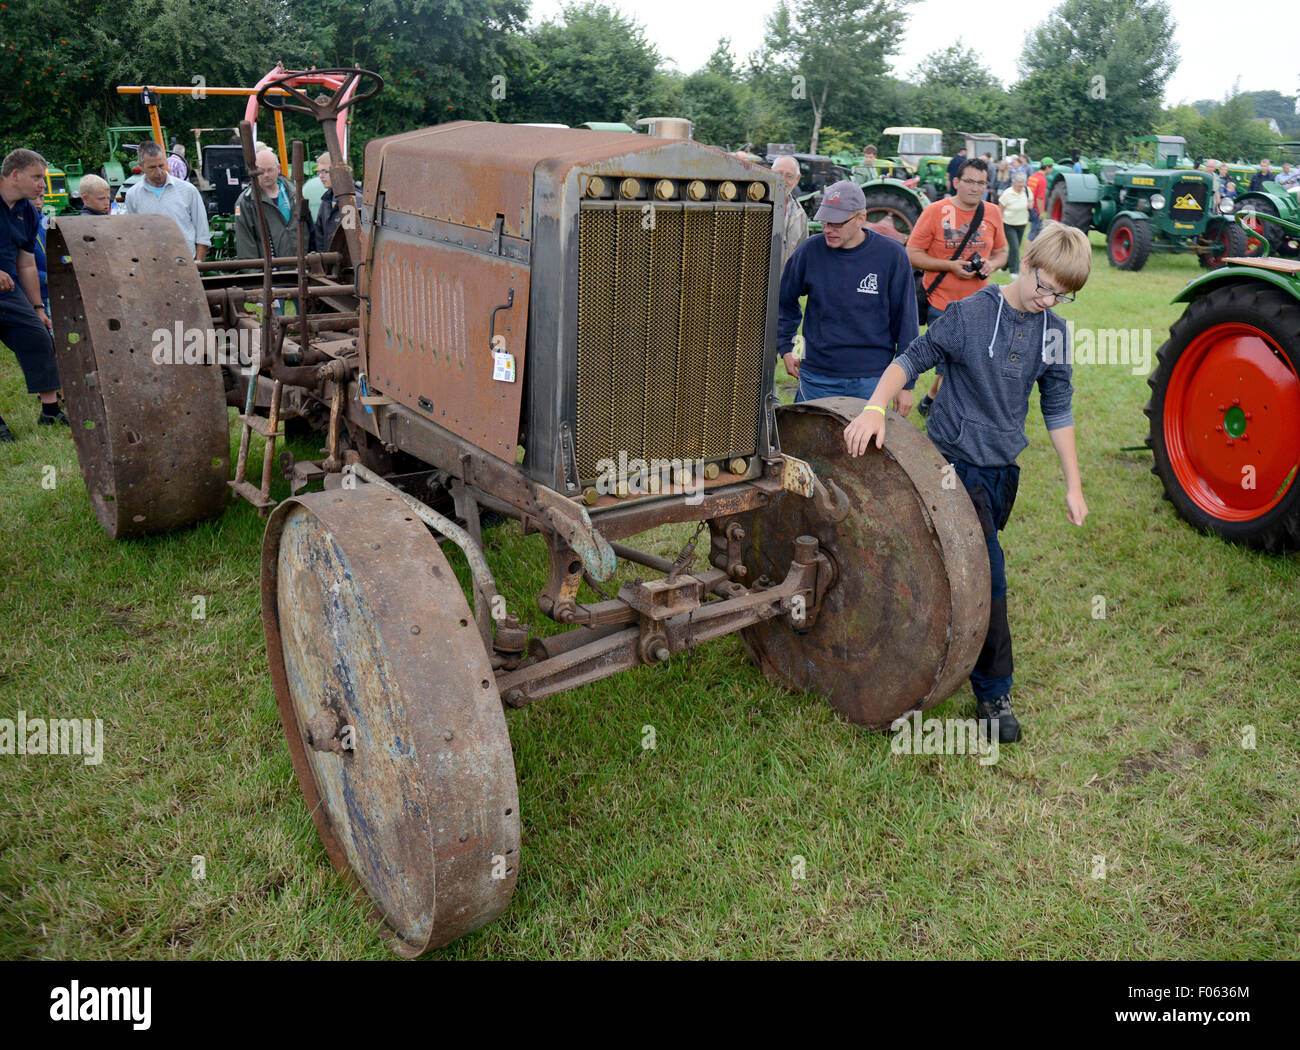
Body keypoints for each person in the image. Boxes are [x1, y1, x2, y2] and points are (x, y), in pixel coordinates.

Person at [843, 222, 1092, 743]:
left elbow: (1058, 406)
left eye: (1063, 297)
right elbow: (911, 359)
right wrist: (874, 408)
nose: (1050, 301)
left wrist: (1074, 484)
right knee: (988, 576)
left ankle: (932, 642)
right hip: (952, 466)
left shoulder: (1054, 334)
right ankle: (993, 694)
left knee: (956, 567)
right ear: (1027, 266)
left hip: (1002, 470)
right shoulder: (972, 314)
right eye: (1045, 286)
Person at [777, 180, 918, 409]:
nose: (827, 229)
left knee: (863, 445)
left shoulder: (892, 256)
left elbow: (907, 322)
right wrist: (789, 347)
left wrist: (906, 383)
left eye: (837, 223)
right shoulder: (809, 252)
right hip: (816, 376)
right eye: (824, 221)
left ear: (860, 218)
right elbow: (785, 302)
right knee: (809, 444)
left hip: (872, 379)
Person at [907, 157, 1008, 415]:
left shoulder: (993, 212)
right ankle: (941, 410)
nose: (975, 188)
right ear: (955, 182)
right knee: (950, 363)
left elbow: (1002, 252)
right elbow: (912, 253)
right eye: (969, 181)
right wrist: (949, 266)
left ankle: (931, 401)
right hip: (942, 303)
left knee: (962, 363)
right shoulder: (935, 211)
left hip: (980, 304)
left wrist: (991, 265)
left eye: (981, 183)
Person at [0, 149, 66, 440]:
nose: (42, 184)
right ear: (15, 175)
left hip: (8, 287)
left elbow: (26, 262)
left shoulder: (27, 210)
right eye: (37, 177)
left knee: (38, 336)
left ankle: (50, 413)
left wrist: (38, 307)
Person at [123, 141, 210, 260]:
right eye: (152, 167)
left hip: (185, 263)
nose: (159, 172)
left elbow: (202, 234)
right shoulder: (133, 195)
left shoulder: (188, 191)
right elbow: (134, 235)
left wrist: (198, 266)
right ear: (140, 166)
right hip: (151, 265)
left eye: (161, 166)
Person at [235, 148, 310, 261]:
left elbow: (309, 230)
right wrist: (256, 275)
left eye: (270, 170)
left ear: (278, 169)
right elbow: (245, 245)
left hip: (301, 268)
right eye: (261, 171)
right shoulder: (246, 202)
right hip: (271, 273)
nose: (266, 175)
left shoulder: (295, 193)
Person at [772, 154, 808, 272]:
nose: (783, 180)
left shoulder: (800, 215)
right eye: (778, 174)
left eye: (789, 176)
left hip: (786, 284)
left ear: (797, 179)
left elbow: (802, 253)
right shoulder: (757, 209)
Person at [999, 172, 1031, 276]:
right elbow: (1000, 209)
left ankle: (1004, 267)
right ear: (1014, 182)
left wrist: (1030, 205)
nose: (1021, 185)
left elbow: (1031, 202)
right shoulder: (1008, 193)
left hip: (1022, 223)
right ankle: (1014, 271)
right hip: (1009, 224)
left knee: (1015, 247)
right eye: (1019, 182)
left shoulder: (1027, 191)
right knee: (1015, 248)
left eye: (1023, 182)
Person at [311, 151, 341, 252]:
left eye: (325, 171)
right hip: (328, 262)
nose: (320, 176)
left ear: (338, 171)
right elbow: (319, 239)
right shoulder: (326, 201)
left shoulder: (353, 201)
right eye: (319, 172)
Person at [1027, 159, 1050, 240]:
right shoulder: (1042, 179)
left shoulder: (1032, 177)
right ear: (1047, 167)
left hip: (1030, 207)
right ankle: (1028, 252)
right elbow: (1039, 198)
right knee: (1033, 235)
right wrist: (1041, 213)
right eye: (1051, 168)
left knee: (1035, 234)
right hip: (1036, 210)